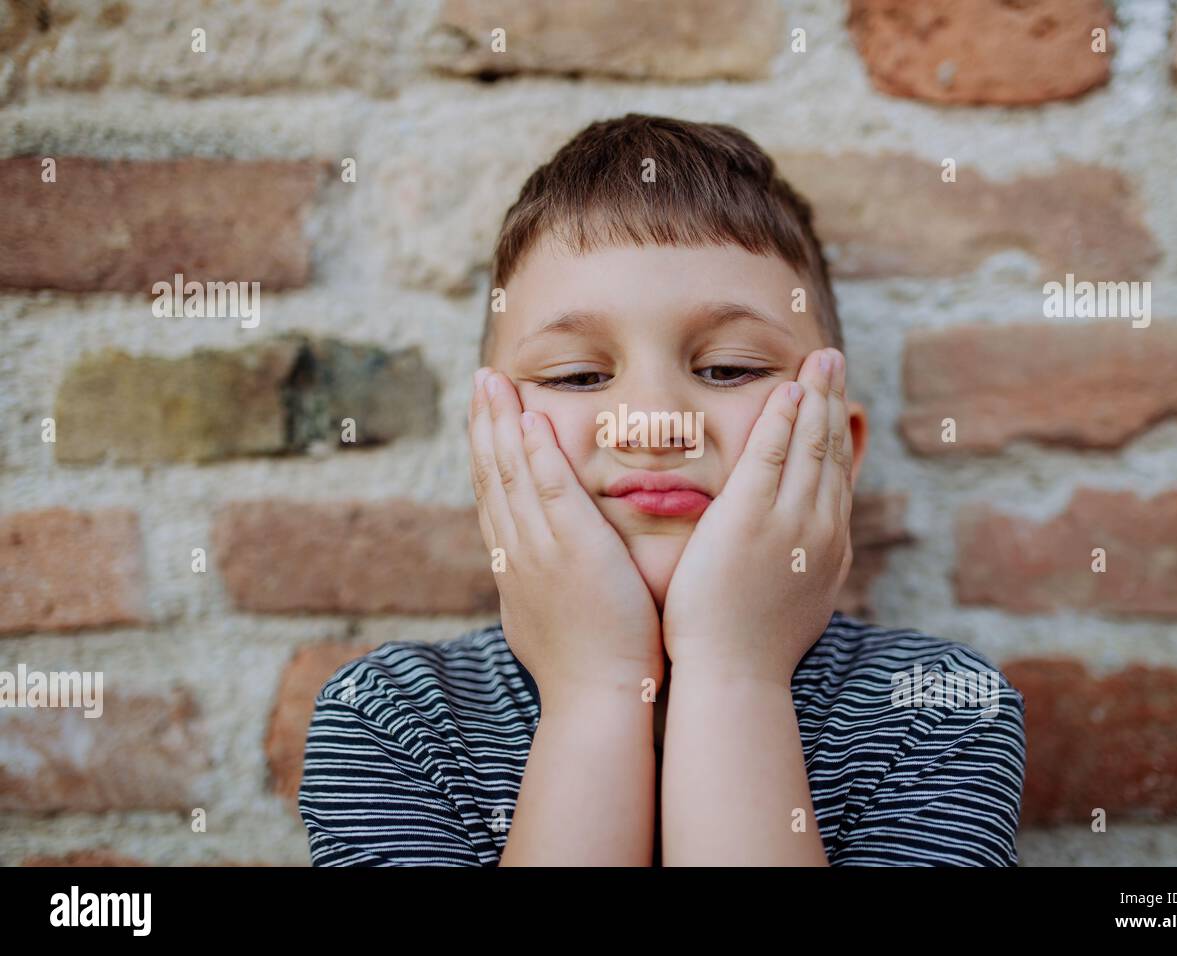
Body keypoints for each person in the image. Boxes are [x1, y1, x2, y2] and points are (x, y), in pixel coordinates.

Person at [299, 114, 1025, 866]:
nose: (653, 426)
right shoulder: (391, 720)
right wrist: (594, 689)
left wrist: (734, 672)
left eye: (728, 368)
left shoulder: (938, 710)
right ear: (489, 439)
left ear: (839, 448)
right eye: (577, 376)